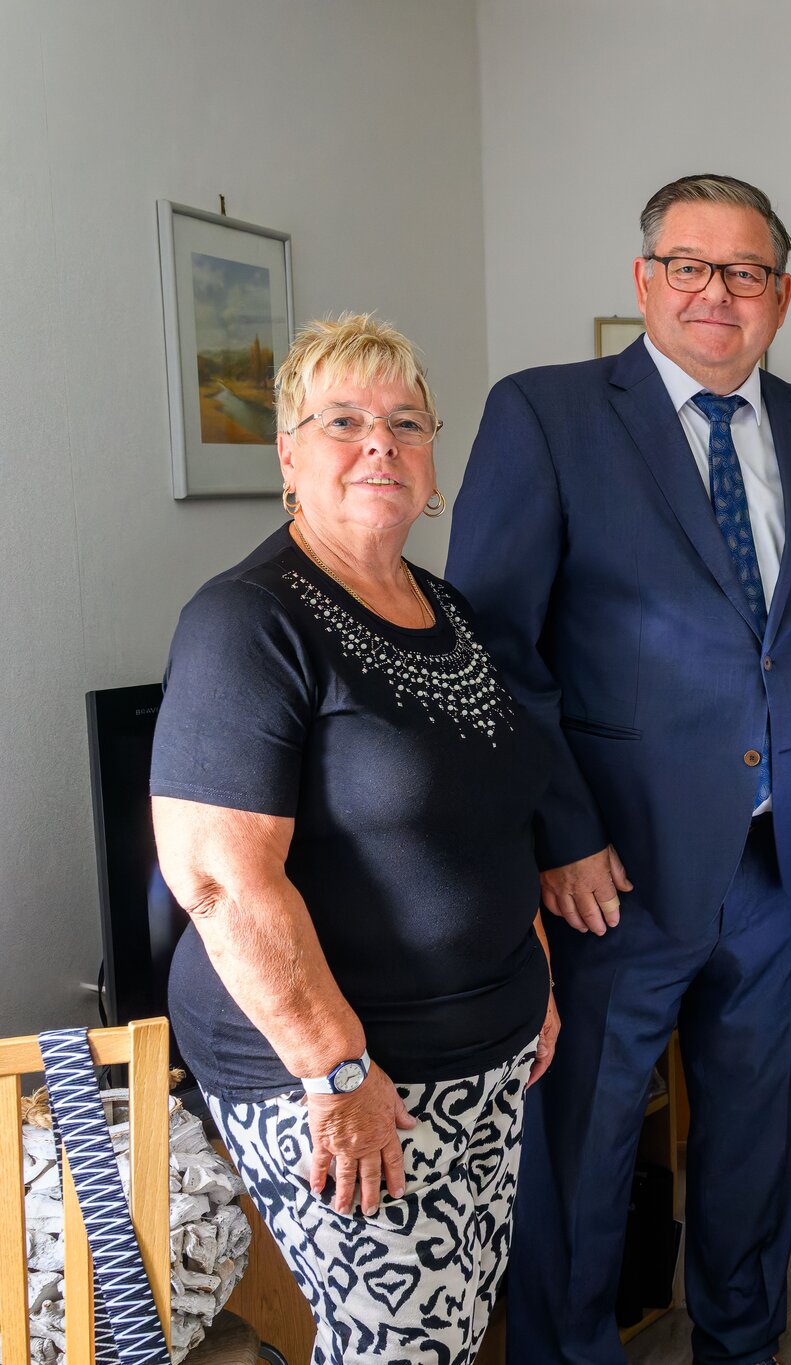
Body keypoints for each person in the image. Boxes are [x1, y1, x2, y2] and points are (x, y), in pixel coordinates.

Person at [446, 173, 791, 1365]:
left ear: (780, 297)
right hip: (611, 868)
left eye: (743, 272)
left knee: (751, 1139)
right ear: (644, 281)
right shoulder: (544, 416)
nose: (716, 292)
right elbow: (495, 647)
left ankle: (742, 1347)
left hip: (768, 855)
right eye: (688, 266)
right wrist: (558, 833)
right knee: (585, 1152)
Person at [153, 314, 555, 1365]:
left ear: (430, 463)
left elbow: (490, 813)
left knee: (455, 1327)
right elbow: (220, 881)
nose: (380, 443)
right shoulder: (247, 622)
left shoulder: (447, 609)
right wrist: (337, 1076)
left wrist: (534, 975)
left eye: (405, 423)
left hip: (483, 1054)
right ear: (289, 453)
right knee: (396, 1348)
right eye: (344, 421)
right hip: (340, 1080)